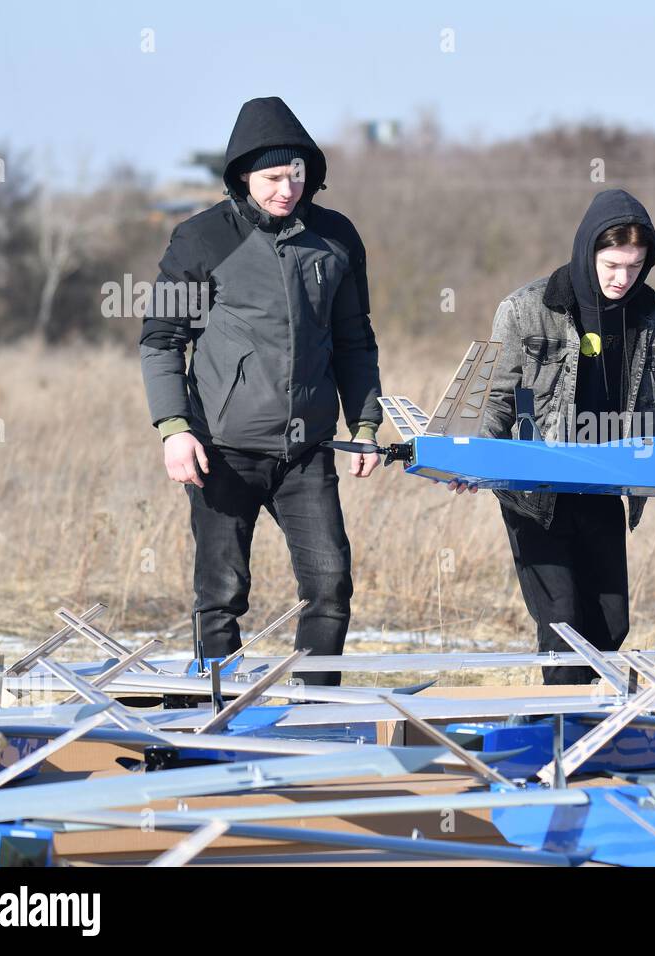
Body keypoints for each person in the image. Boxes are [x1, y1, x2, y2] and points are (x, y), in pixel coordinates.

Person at [458, 189, 655, 684]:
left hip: (604, 487)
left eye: (634, 265)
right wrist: (469, 461)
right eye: (611, 264)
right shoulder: (525, 309)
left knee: (610, 625)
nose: (621, 278)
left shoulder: (654, 319)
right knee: (563, 624)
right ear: (588, 251)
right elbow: (495, 399)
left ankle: (586, 726)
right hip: (534, 493)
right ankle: (561, 743)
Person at [139, 96, 382, 687]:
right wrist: (175, 429)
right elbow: (161, 340)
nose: (286, 189)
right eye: (273, 177)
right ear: (244, 176)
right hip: (221, 448)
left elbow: (354, 339)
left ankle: (315, 708)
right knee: (222, 591)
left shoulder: (336, 238)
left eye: (296, 175)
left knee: (330, 585)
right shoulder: (199, 239)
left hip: (307, 451)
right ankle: (214, 709)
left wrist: (367, 426)